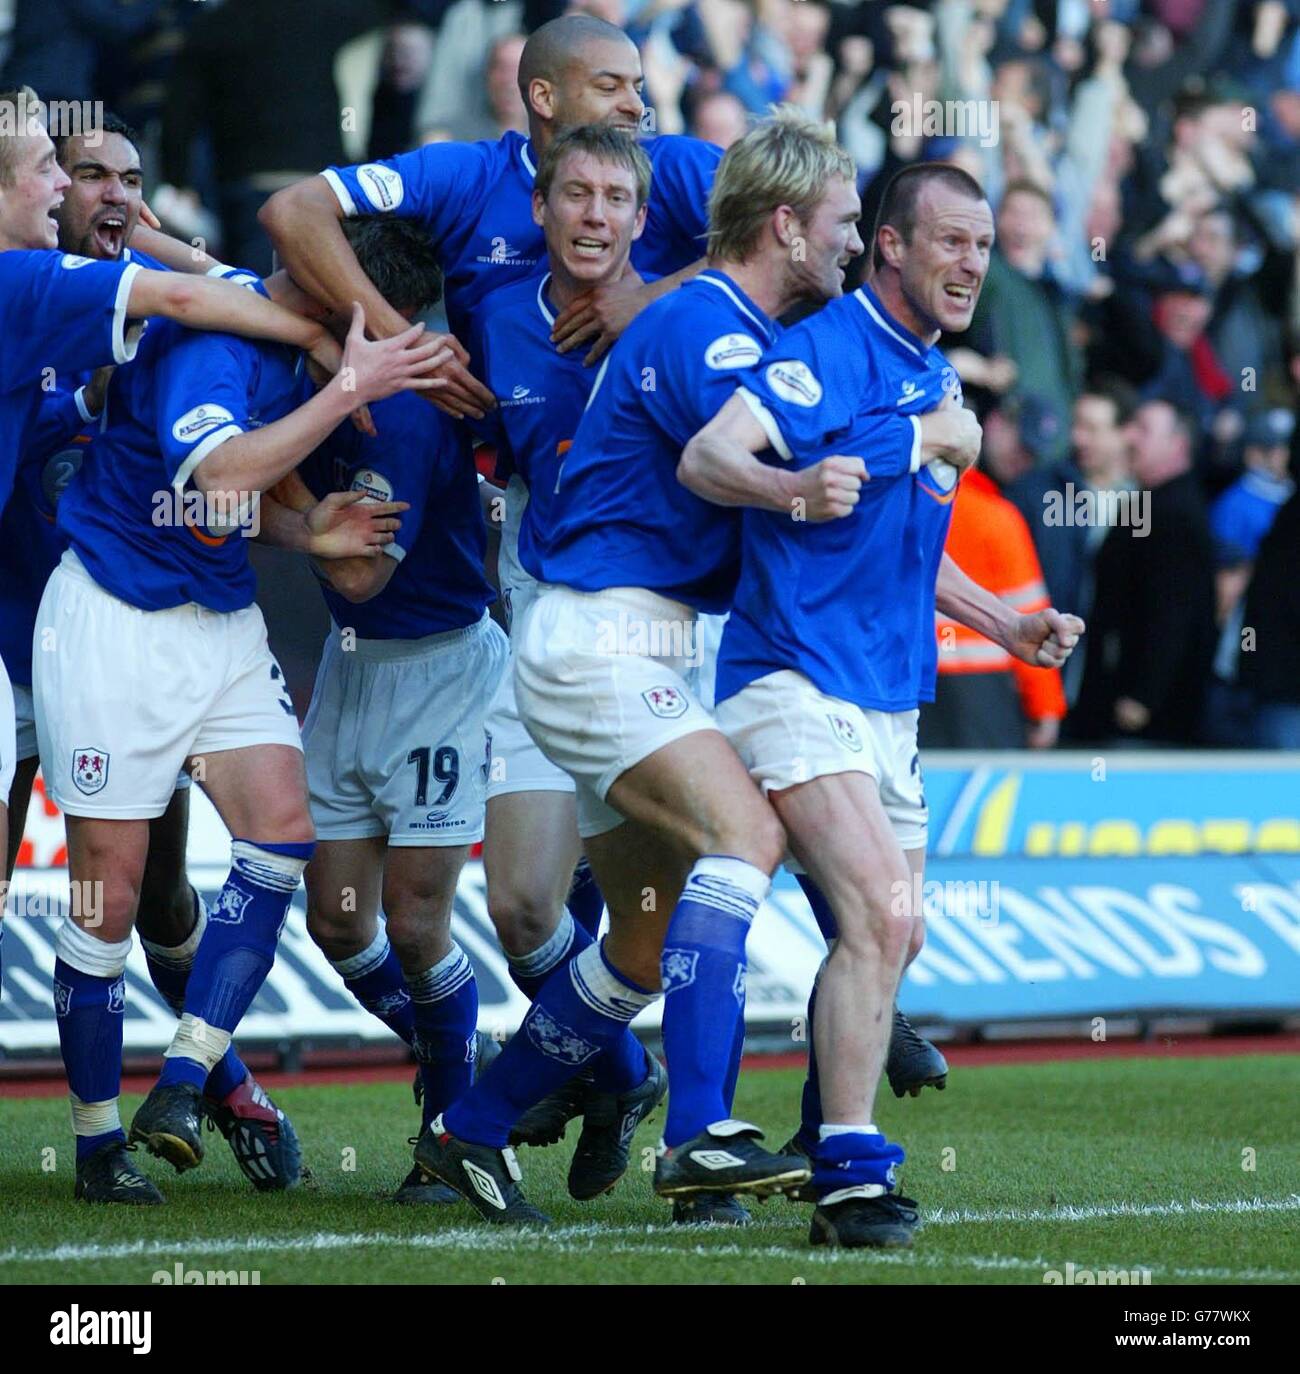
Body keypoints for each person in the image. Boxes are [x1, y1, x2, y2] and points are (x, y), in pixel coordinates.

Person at [414, 110, 891, 1226]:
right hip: (605, 640)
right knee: (750, 835)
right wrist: (908, 437)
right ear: (785, 225)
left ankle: (470, 1129)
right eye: (840, 226)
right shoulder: (713, 329)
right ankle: (698, 1136)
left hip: (620, 641)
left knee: (637, 934)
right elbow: (744, 462)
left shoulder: (716, 322)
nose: (852, 247)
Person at [680, 161, 1082, 1246]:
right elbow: (710, 454)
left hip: (887, 695)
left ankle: (823, 1140)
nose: (969, 264)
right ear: (891, 246)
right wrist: (806, 479)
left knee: (890, 939)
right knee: (880, 913)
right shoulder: (826, 351)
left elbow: (900, 544)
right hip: (790, 675)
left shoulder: (936, 384)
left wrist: (1003, 624)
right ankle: (852, 1173)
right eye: (949, 241)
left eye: (984, 246)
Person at [0, 112, 396, 1195]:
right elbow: (200, 313)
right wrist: (329, 358)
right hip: (52, 637)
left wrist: (306, 523)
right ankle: (101, 1135)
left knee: (179, 888)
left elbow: (196, 285)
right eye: (78, 175)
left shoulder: (159, 289)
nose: (107, 194)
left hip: (175, 622)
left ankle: (200, 1082)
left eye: (131, 178)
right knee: (102, 896)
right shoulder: (40, 288)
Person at [285, 216, 509, 1206]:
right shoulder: (324, 378)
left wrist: (269, 502)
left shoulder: (407, 416)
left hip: (438, 668)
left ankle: (447, 1132)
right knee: (338, 923)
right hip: (350, 667)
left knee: (417, 924)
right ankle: (453, 1048)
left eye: (311, 280)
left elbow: (366, 575)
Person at [469, 125, 668, 1208]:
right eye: (576, 194)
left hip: (653, 642)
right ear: (541, 210)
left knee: (674, 897)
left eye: (615, 198)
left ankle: (706, 1147)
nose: (595, 214)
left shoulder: (681, 322)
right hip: (534, 631)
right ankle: (620, 1077)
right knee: (519, 907)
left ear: (643, 220)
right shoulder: (493, 321)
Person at [259, 12, 725, 410]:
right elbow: (294, 209)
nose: (634, 106)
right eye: (610, 88)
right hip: (507, 457)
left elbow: (784, 241)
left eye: (638, 88)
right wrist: (400, 343)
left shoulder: (677, 164)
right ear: (544, 98)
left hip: (659, 441)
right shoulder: (469, 175)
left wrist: (651, 299)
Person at [1069, 401, 1216, 745]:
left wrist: (1143, 696)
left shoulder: (1174, 513)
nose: (1130, 436)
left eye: (1144, 430)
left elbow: (1174, 613)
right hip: (1115, 698)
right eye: (1131, 425)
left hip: (1145, 718)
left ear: (1178, 446)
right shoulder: (1149, 503)